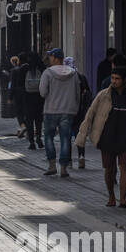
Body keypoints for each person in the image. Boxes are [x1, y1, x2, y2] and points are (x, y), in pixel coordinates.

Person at [74, 66, 126, 208]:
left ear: (125, 80)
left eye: (117, 79)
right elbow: (90, 114)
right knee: (109, 169)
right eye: (112, 78)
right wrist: (82, 135)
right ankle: (111, 197)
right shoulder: (103, 95)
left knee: (124, 167)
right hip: (107, 137)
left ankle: (122, 199)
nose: (114, 81)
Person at [39, 48, 80, 177]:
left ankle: (51, 165)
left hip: (51, 110)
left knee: (48, 137)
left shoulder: (47, 73)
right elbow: (77, 93)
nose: (49, 59)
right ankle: (63, 168)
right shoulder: (73, 73)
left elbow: (42, 92)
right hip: (67, 111)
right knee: (65, 139)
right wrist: (75, 108)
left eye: (51, 56)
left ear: (56, 58)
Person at [67, 56, 92, 170]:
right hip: (80, 110)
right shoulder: (81, 77)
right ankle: (81, 156)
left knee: (67, 135)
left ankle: (68, 160)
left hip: (67, 110)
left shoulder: (64, 77)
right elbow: (88, 93)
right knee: (79, 134)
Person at [19, 51, 46, 149]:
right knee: (38, 120)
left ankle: (31, 141)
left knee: (29, 120)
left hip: (28, 98)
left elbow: (20, 85)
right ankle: (39, 137)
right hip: (39, 98)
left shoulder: (24, 69)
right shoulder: (42, 68)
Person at [7, 55, 26, 136]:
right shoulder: (25, 70)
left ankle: (23, 126)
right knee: (25, 111)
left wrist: (10, 97)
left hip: (17, 93)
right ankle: (26, 127)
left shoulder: (14, 71)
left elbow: (12, 84)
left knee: (18, 111)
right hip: (25, 92)